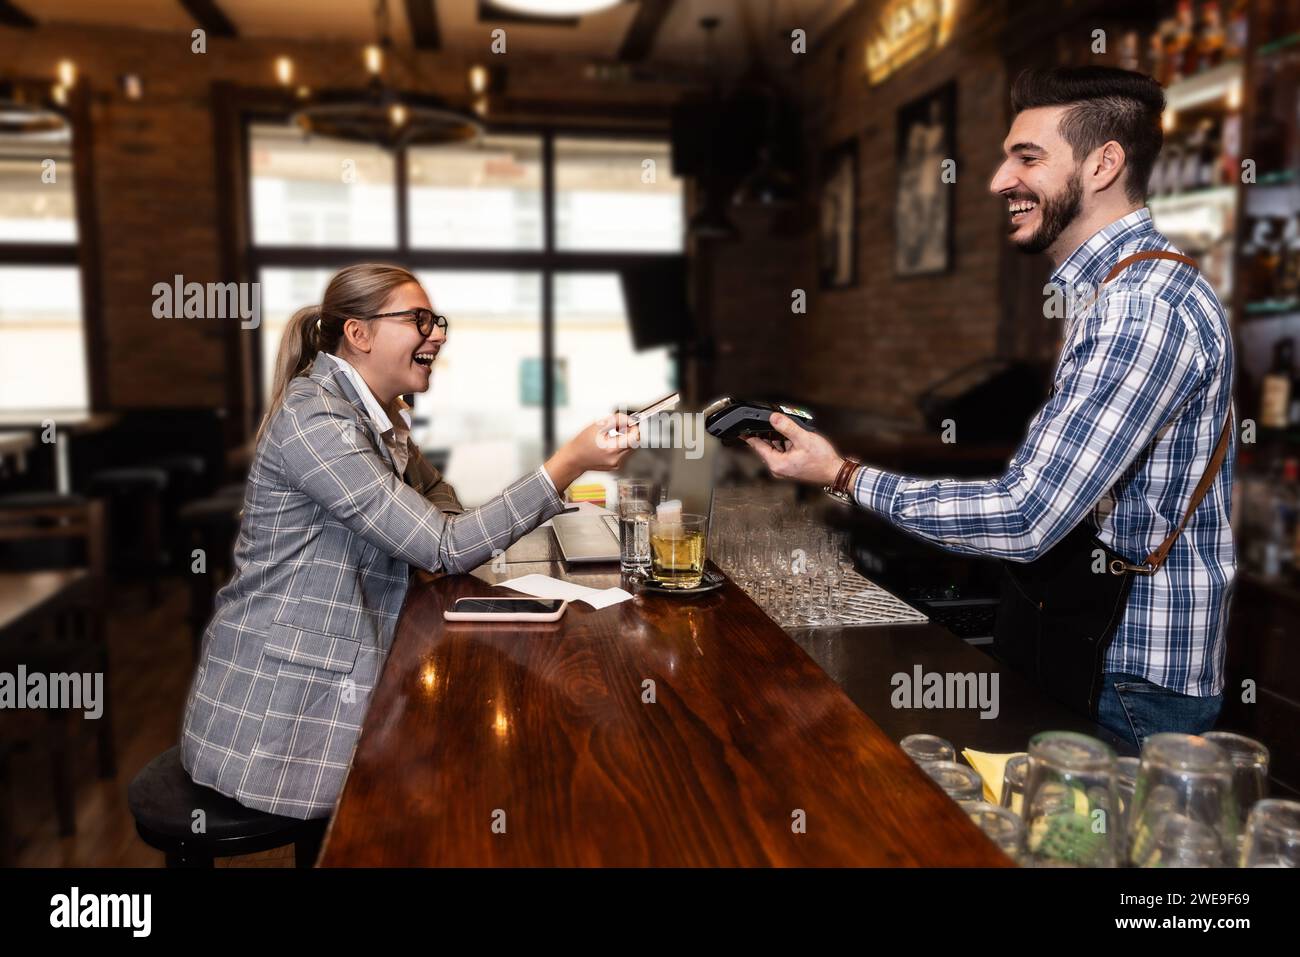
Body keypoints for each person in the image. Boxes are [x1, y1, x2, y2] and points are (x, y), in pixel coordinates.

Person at [745, 66, 1234, 748]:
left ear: (1103, 164)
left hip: (1127, 680)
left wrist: (844, 475)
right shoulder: (1121, 293)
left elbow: (1027, 516)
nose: (999, 180)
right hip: (1102, 656)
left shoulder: (1141, 309)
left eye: (1027, 158)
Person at [181, 263, 638, 818]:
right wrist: (567, 464)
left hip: (333, 679)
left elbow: (440, 506)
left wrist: (438, 531)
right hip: (277, 720)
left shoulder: (376, 416)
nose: (437, 333)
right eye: (418, 320)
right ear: (360, 334)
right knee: (469, 784)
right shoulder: (316, 420)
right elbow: (444, 546)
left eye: (436, 319)